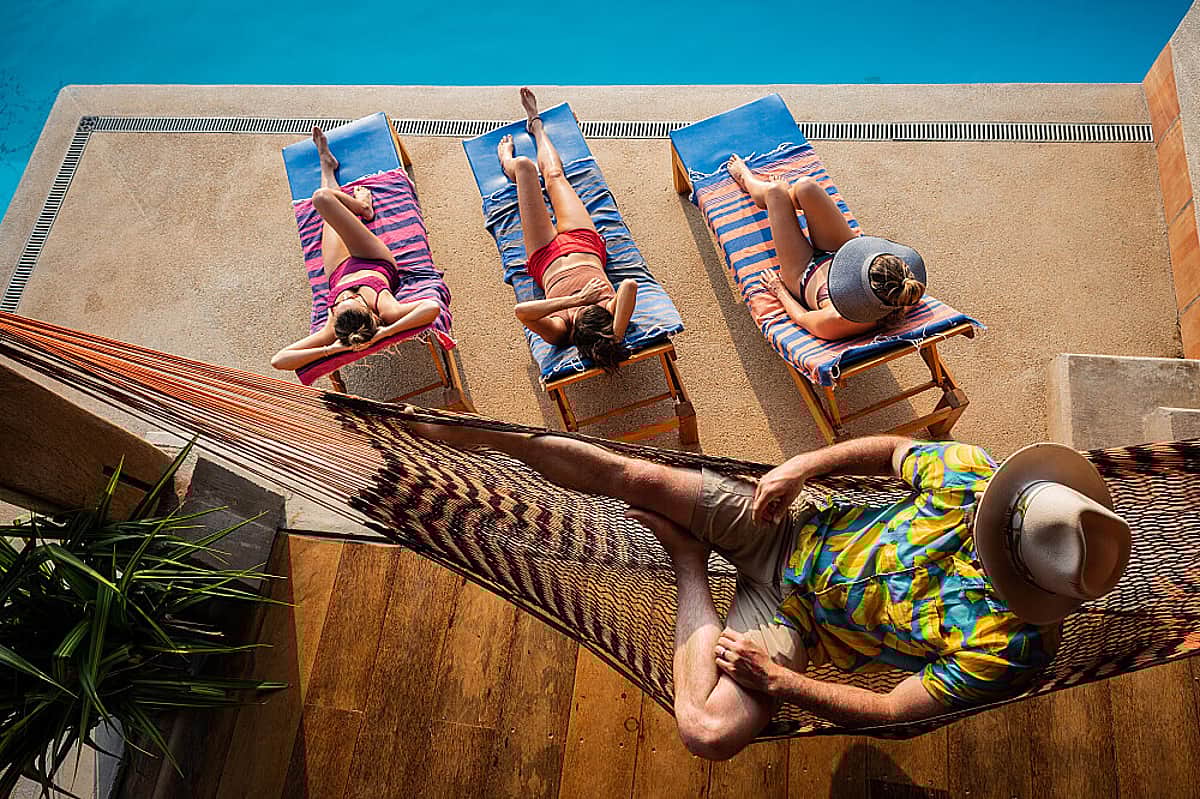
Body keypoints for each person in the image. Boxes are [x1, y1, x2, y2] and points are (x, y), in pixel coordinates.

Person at [408, 420, 1131, 760]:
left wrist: (784, 681)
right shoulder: (979, 479)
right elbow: (889, 450)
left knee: (709, 731)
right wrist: (802, 468)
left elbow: (889, 709)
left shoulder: (1014, 649)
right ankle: (477, 440)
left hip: (801, 623)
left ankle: (688, 566)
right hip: (789, 528)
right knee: (641, 478)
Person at [271, 127, 442, 371]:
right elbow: (431, 308)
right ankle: (363, 208)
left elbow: (279, 360)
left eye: (343, 304)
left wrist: (331, 349)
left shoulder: (332, 327)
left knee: (322, 200)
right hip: (371, 259)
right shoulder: (387, 309)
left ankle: (327, 167)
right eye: (355, 301)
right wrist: (384, 334)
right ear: (372, 315)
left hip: (338, 270)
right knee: (323, 199)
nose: (348, 298)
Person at [499, 88, 638, 373]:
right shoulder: (610, 314)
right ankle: (535, 123)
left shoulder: (560, 329)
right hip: (584, 241)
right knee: (553, 177)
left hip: (544, 255)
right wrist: (617, 332)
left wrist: (576, 300)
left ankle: (506, 162)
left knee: (525, 168)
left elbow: (521, 312)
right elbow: (629, 286)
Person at [726, 155, 927, 340]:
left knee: (775, 192)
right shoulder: (905, 287)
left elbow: (802, 318)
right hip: (841, 250)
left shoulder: (838, 320)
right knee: (806, 187)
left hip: (804, 271)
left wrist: (779, 290)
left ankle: (750, 182)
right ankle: (783, 198)